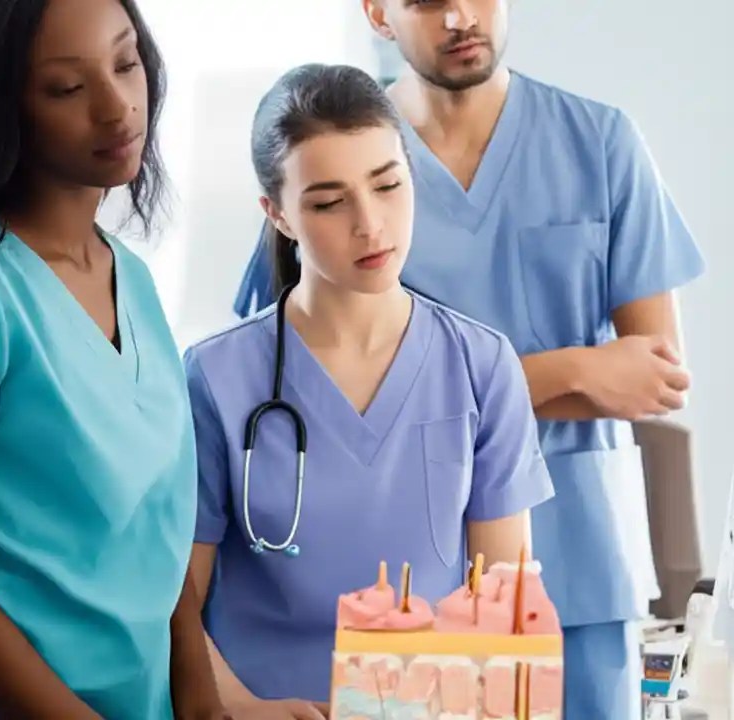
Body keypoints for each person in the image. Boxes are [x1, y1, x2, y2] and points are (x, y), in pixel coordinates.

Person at [233, 2, 706, 717]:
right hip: (398, 569)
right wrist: (576, 369)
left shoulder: (599, 142)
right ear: (377, 13)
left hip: (577, 559)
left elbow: (656, 376)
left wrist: (427, 391)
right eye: (424, 0)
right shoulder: (344, 158)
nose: (458, 15)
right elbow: (293, 380)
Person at [0, 0, 222, 718]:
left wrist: (204, 705)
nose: (118, 107)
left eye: (126, 63)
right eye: (66, 87)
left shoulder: (133, 279)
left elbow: (156, 534)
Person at [186, 63, 555, 716]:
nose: (371, 225)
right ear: (278, 214)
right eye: (329, 202)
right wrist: (238, 707)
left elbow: (504, 613)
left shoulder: (480, 366)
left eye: (388, 186)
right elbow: (172, 601)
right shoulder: (215, 379)